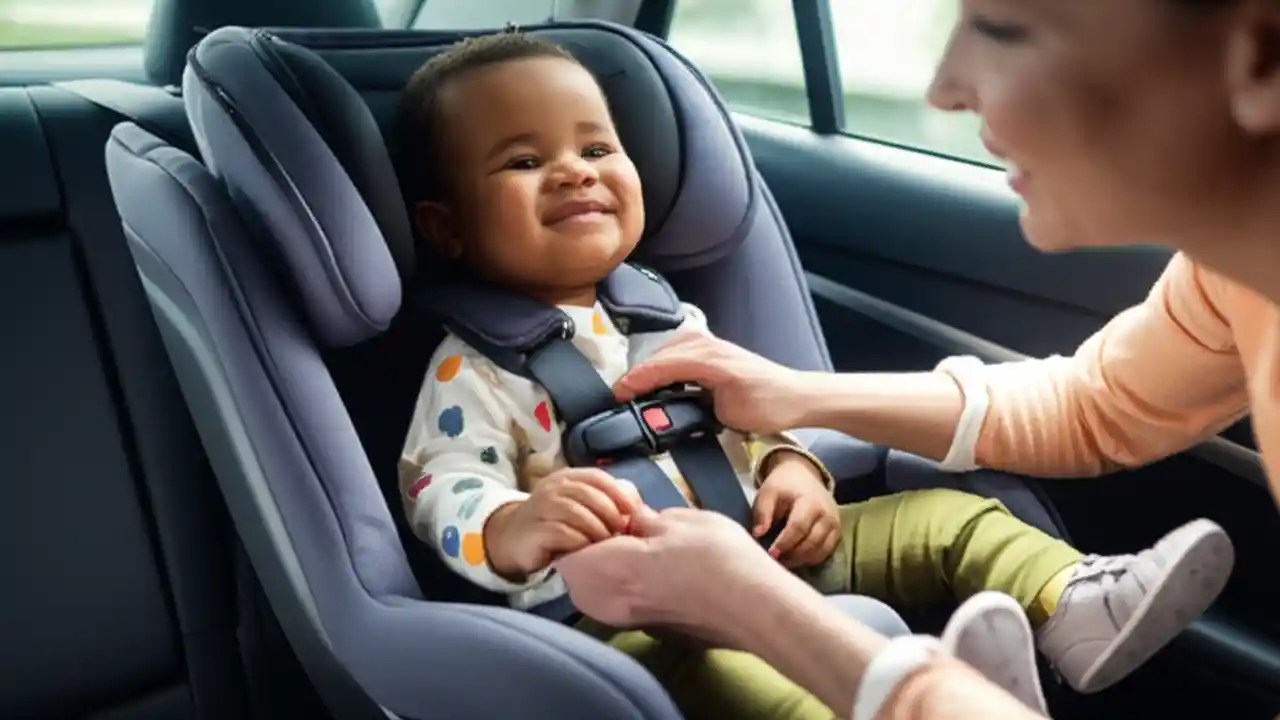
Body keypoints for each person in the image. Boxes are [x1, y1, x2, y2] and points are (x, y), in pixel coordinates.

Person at [391, 29, 1233, 719]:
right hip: (628, 612)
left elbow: (744, 424)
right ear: (448, 227)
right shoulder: (474, 364)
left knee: (950, 516)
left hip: (766, 547)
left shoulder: (664, 315)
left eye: (596, 146)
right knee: (749, 691)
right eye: (523, 162)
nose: (575, 169)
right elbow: (442, 488)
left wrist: (796, 468)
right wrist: (516, 524)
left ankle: (1074, 603)